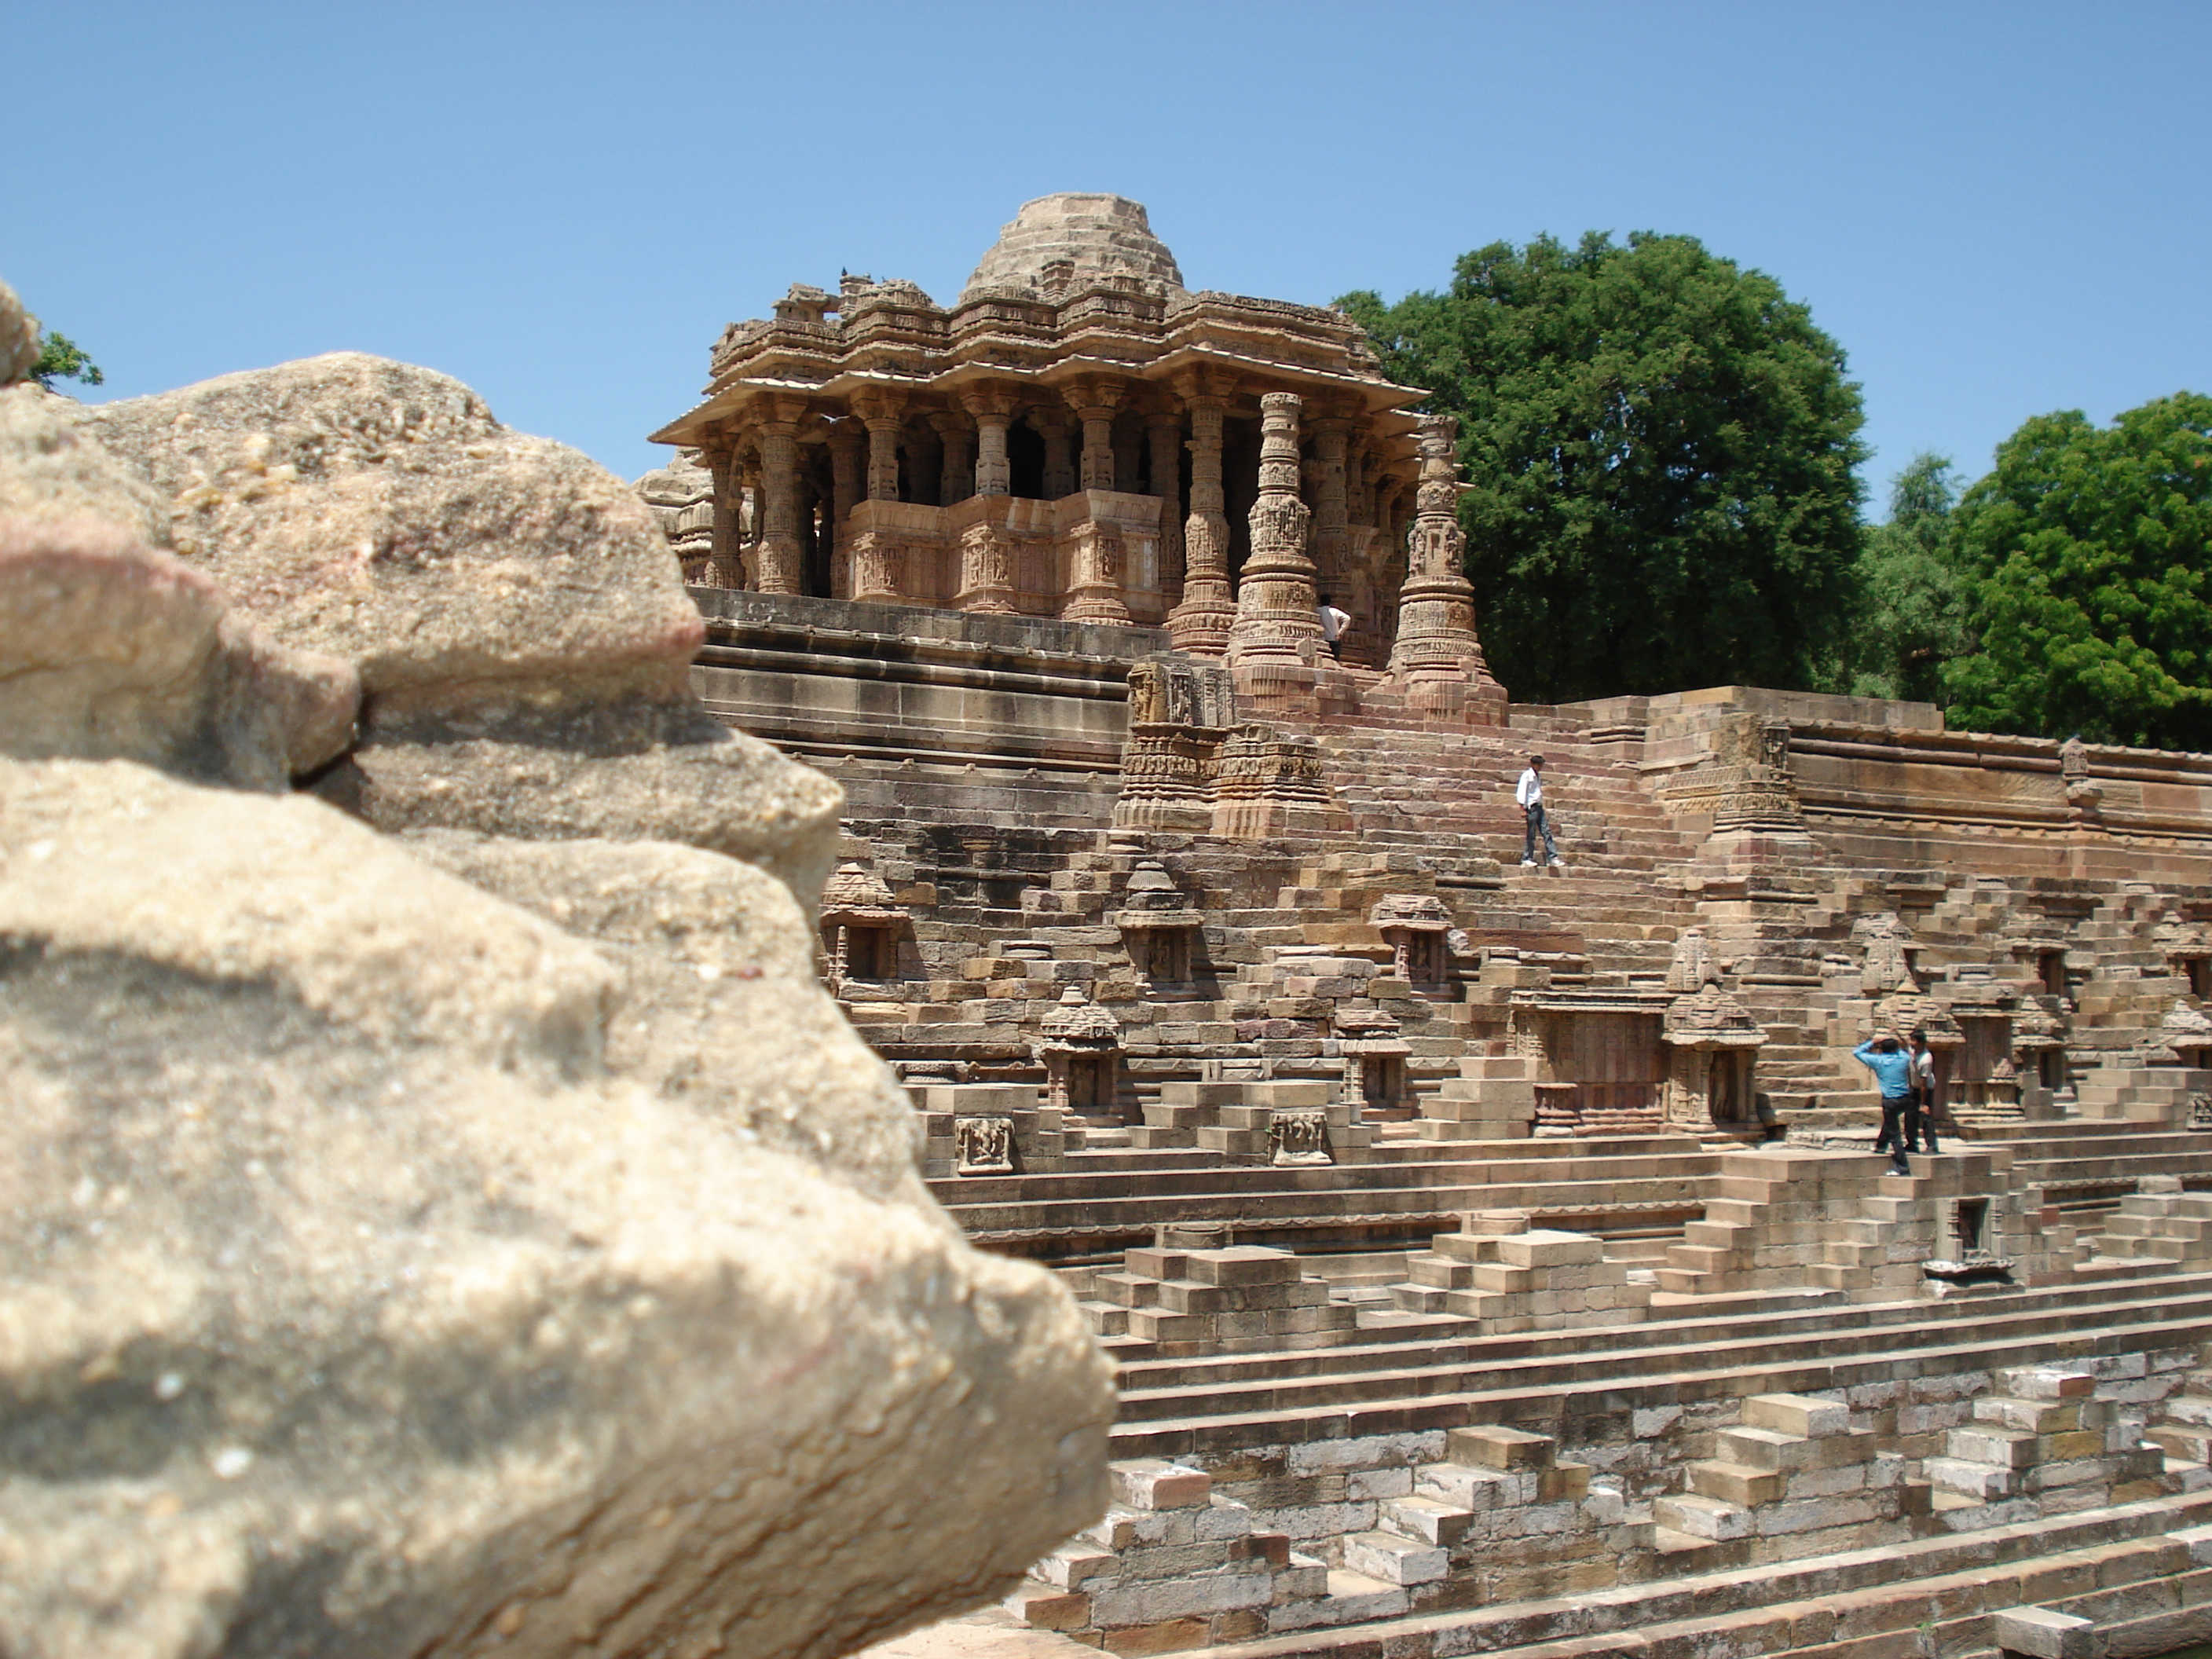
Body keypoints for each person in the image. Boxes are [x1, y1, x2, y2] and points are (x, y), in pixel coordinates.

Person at [1855, 1032, 1915, 1177]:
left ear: (1881, 1050)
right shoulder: (1904, 1059)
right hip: (1906, 1099)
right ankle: (1881, 1146)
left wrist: (1872, 1042)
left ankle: (1902, 1167)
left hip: (1890, 1100)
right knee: (1890, 1122)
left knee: (1895, 1135)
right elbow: (1904, 1051)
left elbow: (1857, 1052)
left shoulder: (1878, 1061)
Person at [1515, 754, 1562, 869]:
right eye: (1539, 764)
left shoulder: (1537, 776)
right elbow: (1522, 791)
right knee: (1531, 834)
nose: (1540, 767)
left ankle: (1553, 857)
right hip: (1531, 808)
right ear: (1533, 764)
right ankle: (1527, 858)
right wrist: (1522, 808)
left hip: (1539, 807)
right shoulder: (1527, 776)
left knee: (1546, 831)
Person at [1907, 1027, 1941, 1154]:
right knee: (1910, 1116)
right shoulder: (1912, 1050)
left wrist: (1923, 1103)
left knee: (1926, 1116)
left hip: (1925, 1089)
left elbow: (1924, 1083)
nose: (1911, 1043)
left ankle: (1932, 1145)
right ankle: (1912, 1143)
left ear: (1921, 1043)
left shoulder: (1926, 1059)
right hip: (1914, 1087)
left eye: (1914, 1041)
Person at [1317, 594, 1351, 659]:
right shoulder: (1335, 611)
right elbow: (1347, 618)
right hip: (1334, 638)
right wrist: (1340, 632)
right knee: (1335, 659)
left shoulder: (1318, 610)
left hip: (1324, 639)